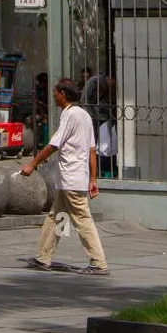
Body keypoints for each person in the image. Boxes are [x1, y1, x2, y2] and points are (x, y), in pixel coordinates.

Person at [21, 76, 109, 274]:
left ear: (62, 94)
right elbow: (92, 150)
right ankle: (44, 257)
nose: (53, 95)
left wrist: (32, 164)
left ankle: (98, 262)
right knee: (57, 216)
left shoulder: (71, 115)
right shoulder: (84, 115)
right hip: (72, 178)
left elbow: (53, 145)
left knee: (82, 219)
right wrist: (93, 179)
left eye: (55, 92)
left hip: (72, 178)